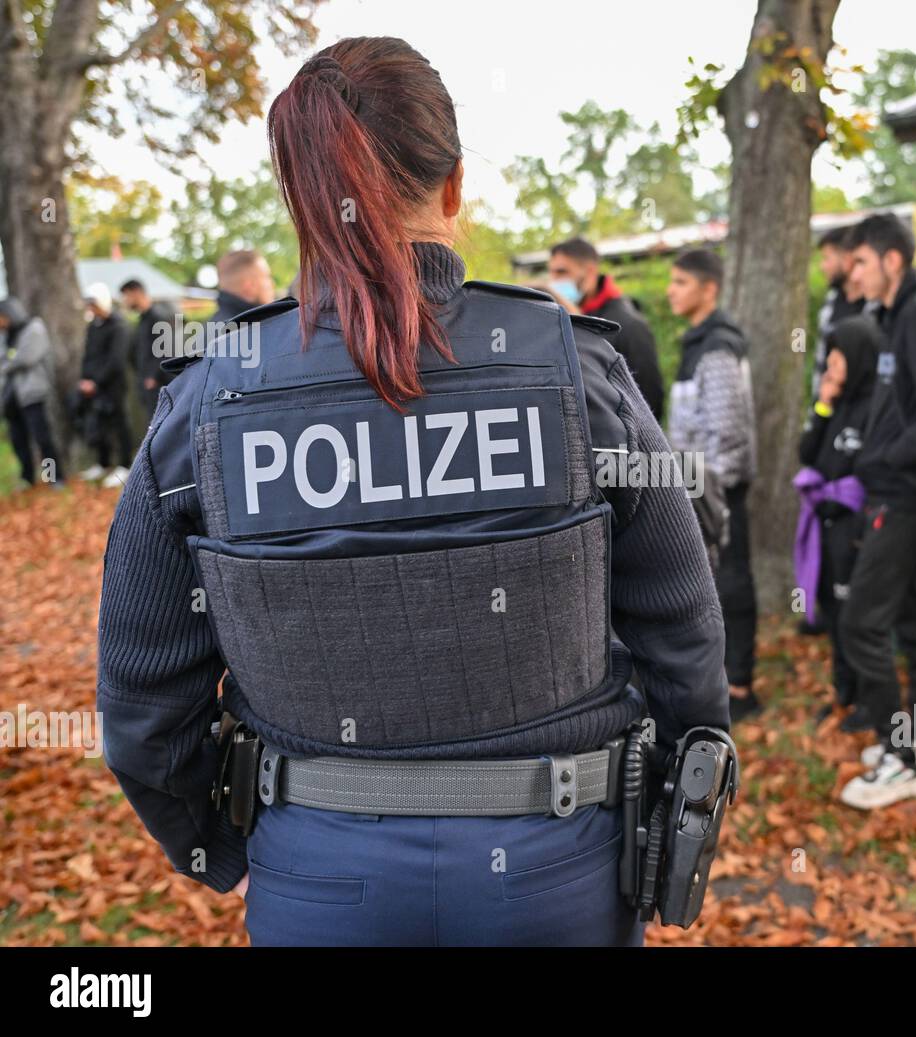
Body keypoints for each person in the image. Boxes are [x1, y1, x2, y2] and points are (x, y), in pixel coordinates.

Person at [96, 37, 729, 948]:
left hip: (321, 872)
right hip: (557, 870)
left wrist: (225, 847)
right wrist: (666, 816)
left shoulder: (207, 401)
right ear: (456, 184)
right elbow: (685, 637)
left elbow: (143, 703)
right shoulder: (576, 373)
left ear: (301, 200)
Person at [836, 213, 916, 811]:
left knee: (862, 622)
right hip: (896, 491)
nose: (848, 270)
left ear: (892, 261)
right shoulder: (891, 318)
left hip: (903, 496)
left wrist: (881, 457)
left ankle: (902, 758)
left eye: (859, 260)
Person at [665, 249, 759, 720]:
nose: (670, 290)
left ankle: (741, 685)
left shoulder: (718, 345)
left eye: (681, 282)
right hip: (697, 489)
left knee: (732, 582)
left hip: (717, 493)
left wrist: (709, 497)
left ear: (709, 289)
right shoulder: (697, 341)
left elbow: (727, 432)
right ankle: (724, 677)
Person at [794, 314, 879, 727]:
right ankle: (844, 690)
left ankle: (867, 699)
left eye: (838, 358)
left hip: (854, 528)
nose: (830, 366)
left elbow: (865, 469)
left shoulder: (875, 408)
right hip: (824, 526)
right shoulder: (836, 403)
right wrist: (823, 403)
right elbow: (808, 453)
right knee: (832, 612)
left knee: (854, 616)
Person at [548, 238, 664, 419]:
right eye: (552, 273)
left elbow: (650, 400)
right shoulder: (567, 320)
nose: (554, 281)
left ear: (590, 271)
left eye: (562, 272)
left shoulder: (628, 325)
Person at [0, 297, 63, 487]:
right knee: (18, 440)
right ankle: (27, 478)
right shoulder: (5, 335)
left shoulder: (34, 328)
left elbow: (26, 358)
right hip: (11, 397)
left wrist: (7, 364)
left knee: (42, 439)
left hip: (33, 394)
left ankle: (54, 477)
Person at [76, 283, 133, 488]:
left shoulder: (119, 325)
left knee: (120, 424)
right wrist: (85, 379)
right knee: (98, 424)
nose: (91, 309)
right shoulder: (93, 326)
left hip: (113, 386)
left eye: (93, 304)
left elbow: (116, 360)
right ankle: (102, 463)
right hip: (93, 387)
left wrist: (96, 381)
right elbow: (88, 355)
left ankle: (125, 465)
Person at [810, 225, 867, 400]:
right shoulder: (831, 303)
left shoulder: (874, 306)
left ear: (847, 259)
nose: (822, 266)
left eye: (827, 258)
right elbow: (821, 365)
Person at [119, 279, 178, 424]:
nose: (125, 301)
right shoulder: (143, 320)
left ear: (136, 293)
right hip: (146, 385)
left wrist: (153, 376)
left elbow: (167, 349)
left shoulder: (158, 317)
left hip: (158, 385)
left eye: (126, 296)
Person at [212, 249, 276, 324]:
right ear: (250, 286)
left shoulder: (212, 329)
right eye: (267, 277)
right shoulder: (258, 330)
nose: (272, 284)